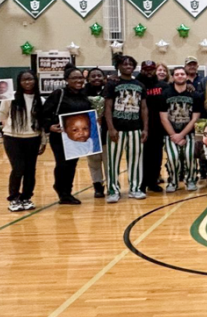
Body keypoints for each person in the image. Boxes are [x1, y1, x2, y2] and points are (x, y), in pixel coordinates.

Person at [0, 71, 45, 211]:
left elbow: (41, 123)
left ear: (35, 81)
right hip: (12, 138)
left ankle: (26, 197)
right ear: (19, 82)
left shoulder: (40, 100)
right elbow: (1, 113)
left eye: (30, 79)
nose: (27, 82)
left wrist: (43, 141)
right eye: (24, 80)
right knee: (18, 169)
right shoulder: (10, 97)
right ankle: (14, 199)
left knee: (30, 170)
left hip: (33, 138)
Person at [42, 65, 92, 205]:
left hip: (77, 135)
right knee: (62, 163)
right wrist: (49, 126)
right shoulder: (59, 94)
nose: (78, 80)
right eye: (74, 78)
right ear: (66, 80)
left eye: (80, 77)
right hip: (60, 136)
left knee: (72, 164)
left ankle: (67, 192)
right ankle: (61, 190)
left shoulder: (84, 94)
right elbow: (43, 113)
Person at [103, 56, 148, 203]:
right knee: (113, 161)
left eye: (130, 64)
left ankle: (135, 189)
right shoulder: (112, 84)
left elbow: (144, 108)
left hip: (135, 128)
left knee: (135, 160)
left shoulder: (140, 85)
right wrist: (111, 128)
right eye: (124, 64)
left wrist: (145, 128)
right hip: (117, 129)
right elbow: (107, 107)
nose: (128, 66)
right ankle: (113, 190)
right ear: (119, 66)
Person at [160, 67, 201, 192]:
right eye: (177, 74)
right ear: (173, 77)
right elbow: (163, 118)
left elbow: (195, 118)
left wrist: (181, 135)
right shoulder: (165, 94)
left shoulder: (195, 95)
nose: (180, 76)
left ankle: (191, 180)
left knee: (190, 156)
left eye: (182, 74)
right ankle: (173, 181)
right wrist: (175, 135)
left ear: (186, 76)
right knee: (173, 157)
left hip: (189, 133)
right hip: (170, 134)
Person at [138, 60, 169, 193]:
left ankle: (153, 181)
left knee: (156, 156)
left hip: (158, 126)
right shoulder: (137, 84)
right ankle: (141, 183)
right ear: (141, 70)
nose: (149, 72)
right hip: (140, 126)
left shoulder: (163, 86)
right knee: (142, 157)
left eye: (151, 69)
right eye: (146, 69)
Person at [84, 68, 107, 197]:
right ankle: (98, 186)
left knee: (109, 161)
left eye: (99, 75)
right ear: (88, 78)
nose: (96, 78)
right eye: (93, 76)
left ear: (104, 78)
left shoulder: (109, 90)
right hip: (90, 133)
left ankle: (112, 186)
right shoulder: (82, 92)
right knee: (93, 162)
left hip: (107, 132)